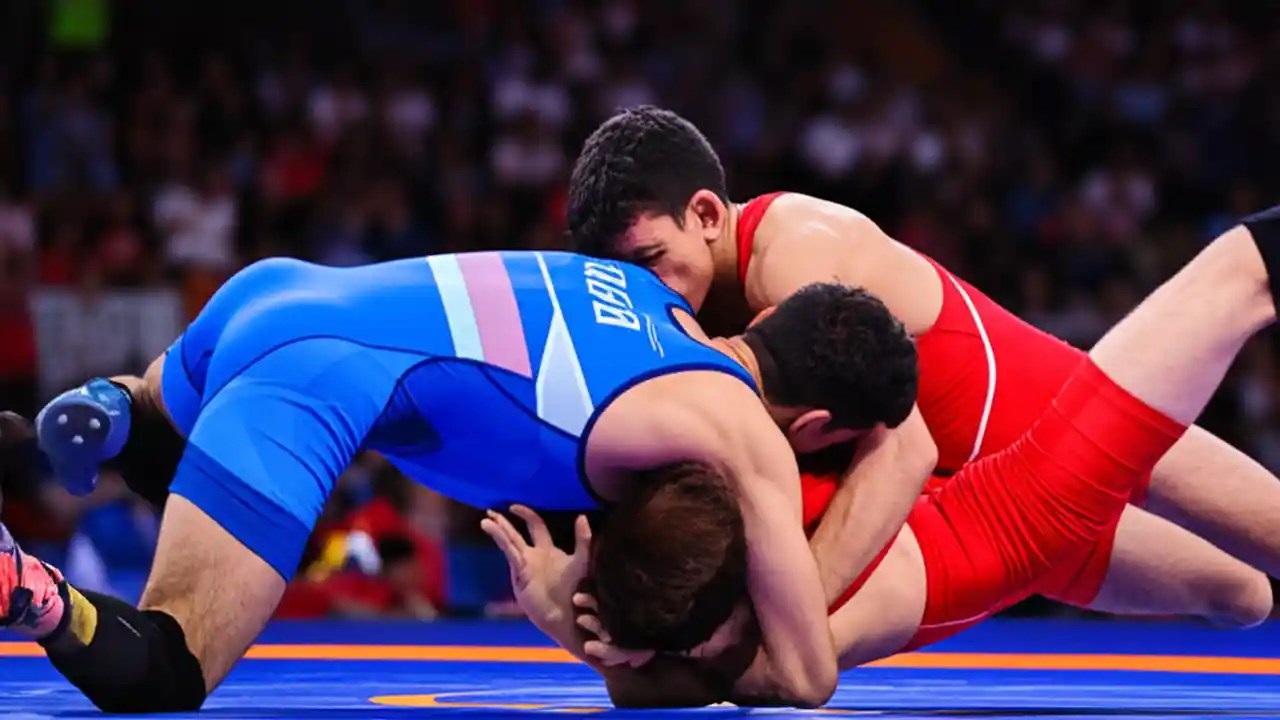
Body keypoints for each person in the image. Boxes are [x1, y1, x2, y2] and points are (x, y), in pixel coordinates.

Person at [0, 251, 916, 712]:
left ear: (761, 315)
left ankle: (119, 408)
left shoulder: (642, 290)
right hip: (320, 372)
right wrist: (582, 632)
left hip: (273, 293)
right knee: (164, 673)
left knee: (171, 460)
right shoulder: (745, 434)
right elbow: (805, 677)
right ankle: (31, 593)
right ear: (817, 429)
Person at [492, 213, 1280, 707]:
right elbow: (771, 681)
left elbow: (668, 685)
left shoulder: (732, 529)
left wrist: (577, 629)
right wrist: (578, 631)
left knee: (1244, 593)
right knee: (1236, 280)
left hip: (936, 503)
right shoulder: (792, 643)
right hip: (1009, 518)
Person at [566, 105, 1277, 626]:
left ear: (707, 214)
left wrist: (801, 610)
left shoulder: (792, 253)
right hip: (989, 507)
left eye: (650, 262)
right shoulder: (691, 308)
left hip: (1057, 421)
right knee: (1242, 597)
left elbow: (905, 446)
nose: (645, 291)